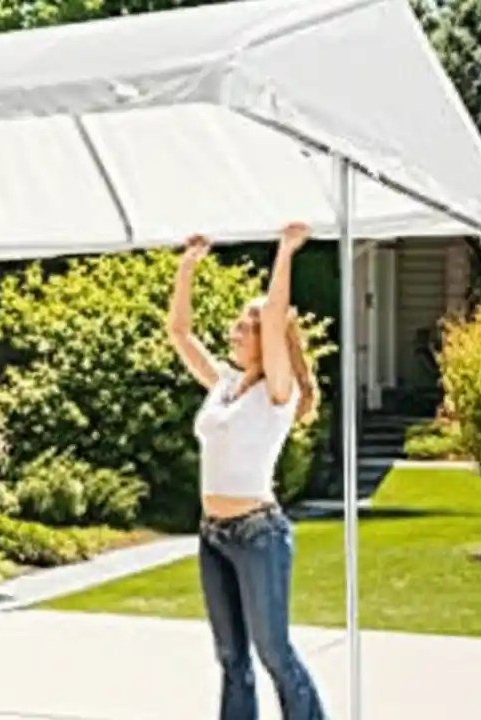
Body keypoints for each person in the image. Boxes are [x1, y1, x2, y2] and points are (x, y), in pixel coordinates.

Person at [166, 222, 327, 720]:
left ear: (270, 339)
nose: (236, 330)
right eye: (238, 323)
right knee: (232, 659)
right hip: (213, 535)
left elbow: (276, 314)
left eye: (246, 325)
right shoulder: (225, 385)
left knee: (274, 654)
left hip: (259, 534)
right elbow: (179, 332)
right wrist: (187, 266)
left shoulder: (279, 392)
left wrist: (285, 253)